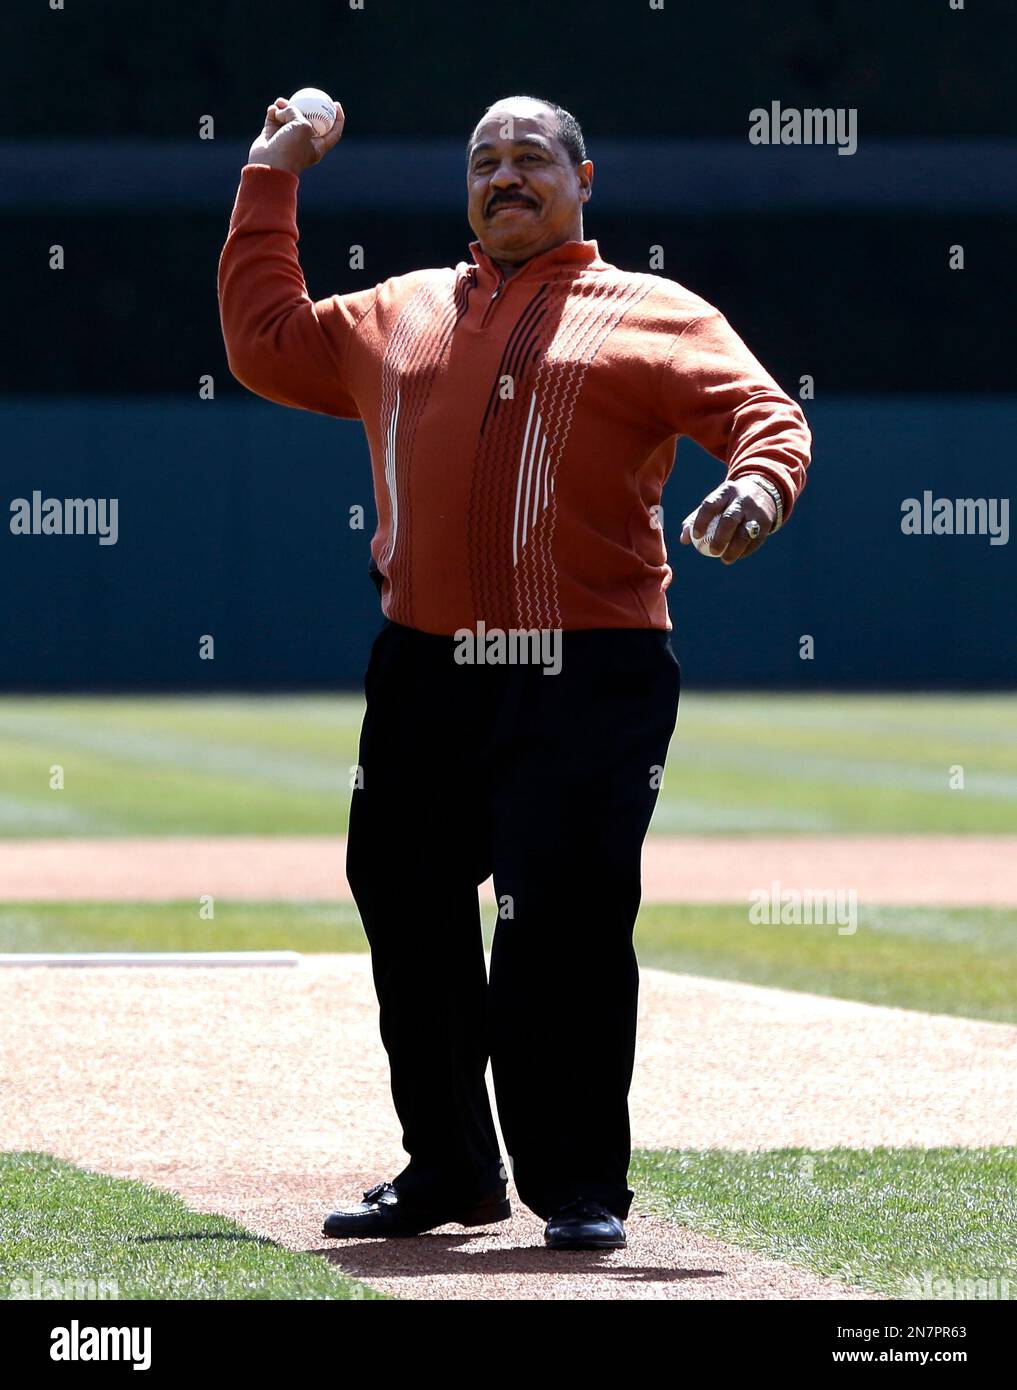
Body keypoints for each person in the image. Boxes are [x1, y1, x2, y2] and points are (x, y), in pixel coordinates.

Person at [218, 93, 812, 1250]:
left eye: (532, 157)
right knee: (404, 896)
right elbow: (264, 341)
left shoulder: (650, 310)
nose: (505, 175)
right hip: (427, 665)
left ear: (584, 178)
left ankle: (579, 1181)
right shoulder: (400, 311)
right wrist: (269, 174)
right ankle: (450, 1165)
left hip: (588, 664)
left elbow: (761, 413)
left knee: (560, 917)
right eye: (485, 159)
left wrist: (759, 484)